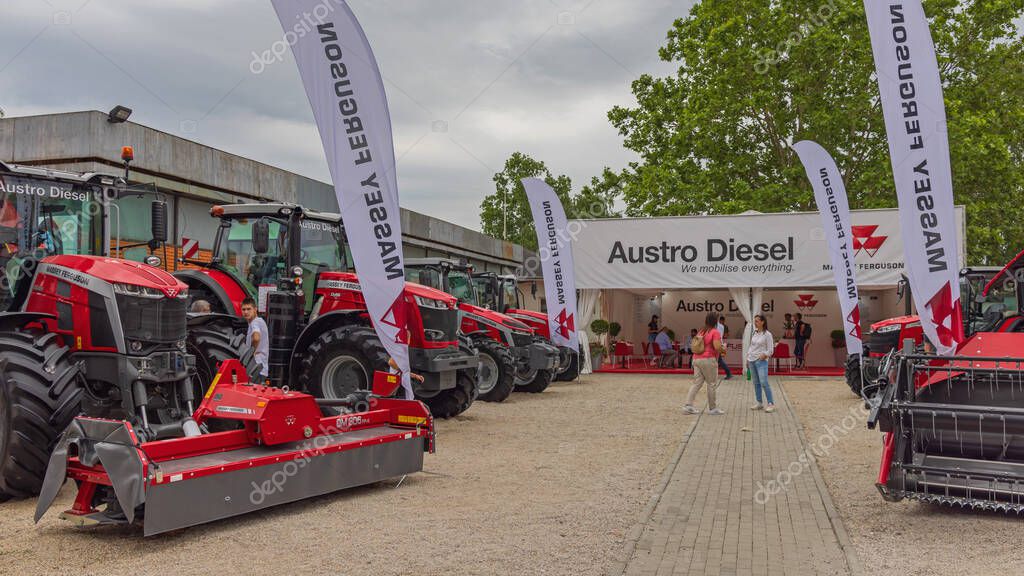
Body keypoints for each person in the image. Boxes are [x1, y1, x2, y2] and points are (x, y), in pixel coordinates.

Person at [684, 312, 726, 415]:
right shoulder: (715, 332)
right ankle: (713, 408)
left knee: (696, 383)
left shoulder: (701, 331)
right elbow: (716, 347)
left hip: (696, 359)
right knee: (711, 384)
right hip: (708, 360)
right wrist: (723, 348)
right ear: (715, 321)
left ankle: (688, 406)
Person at [747, 314, 776, 413]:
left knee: (764, 382)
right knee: (756, 383)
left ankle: (770, 403)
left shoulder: (767, 334)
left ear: (763, 322)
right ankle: (759, 402)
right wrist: (748, 357)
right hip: (751, 360)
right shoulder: (754, 333)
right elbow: (751, 346)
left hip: (761, 361)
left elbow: (771, 350)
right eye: (755, 321)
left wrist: (764, 355)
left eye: (757, 321)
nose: (755, 323)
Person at [241, 297, 269, 380]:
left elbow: (256, 338)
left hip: (256, 369)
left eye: (249, 309)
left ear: (255, 309)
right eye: (243, 309)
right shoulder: (259, 321)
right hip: (261, 368)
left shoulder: (255, 322)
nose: (246, 312)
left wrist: (251, 354)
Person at [716, 315, 732, 380]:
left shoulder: (715, 326)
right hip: (719, 344)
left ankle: (729, 373)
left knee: (719, 361)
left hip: (716, 344)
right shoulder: (722, 326)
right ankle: (728, 373)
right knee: (719, 361)